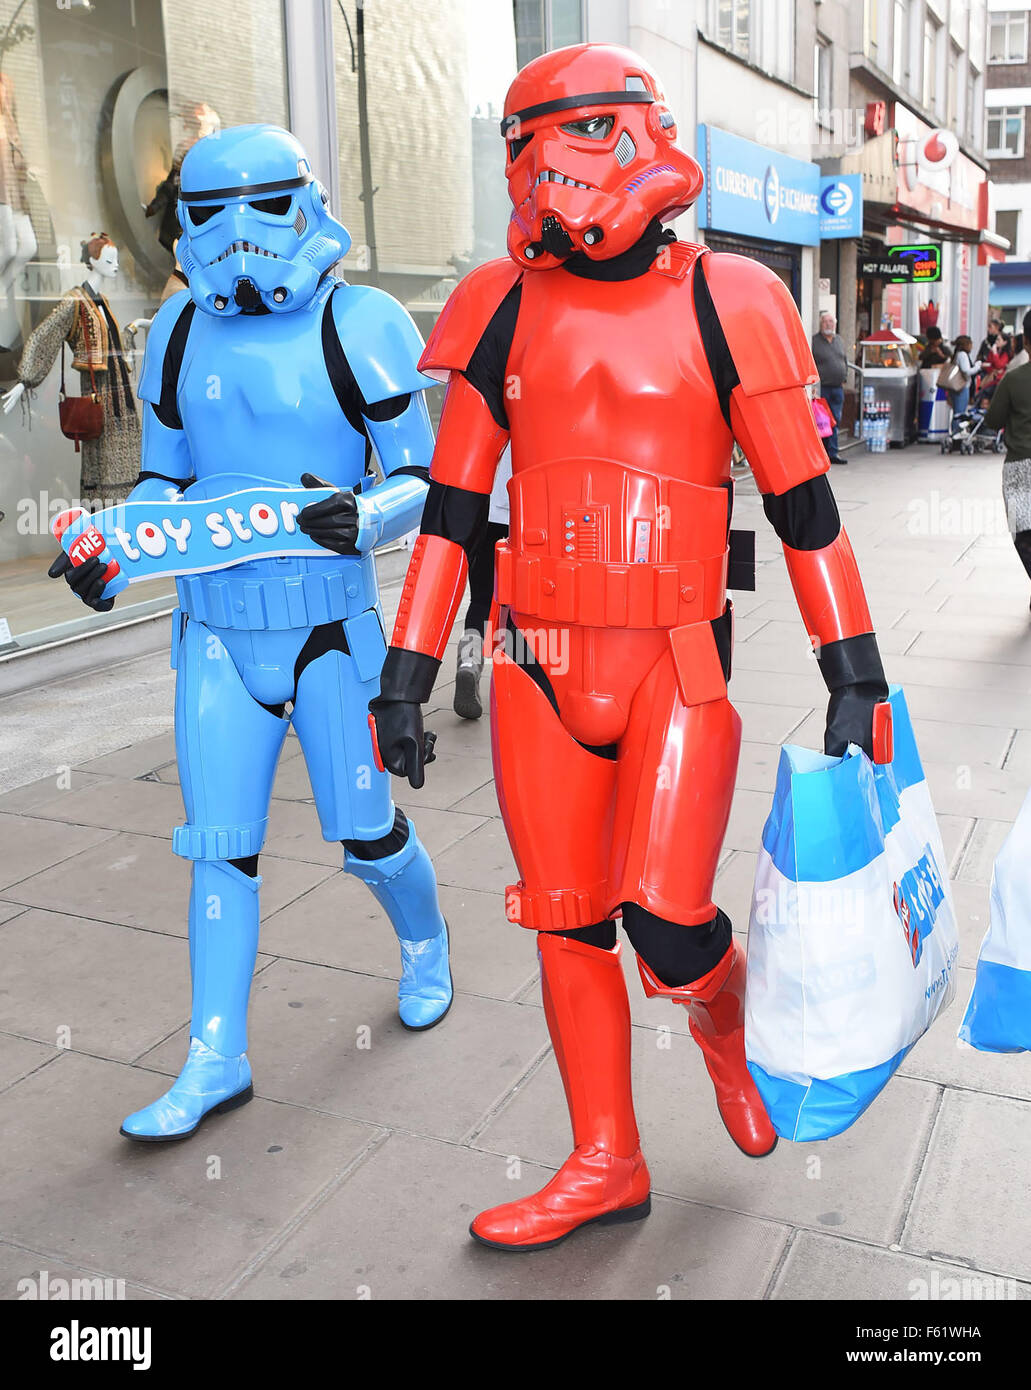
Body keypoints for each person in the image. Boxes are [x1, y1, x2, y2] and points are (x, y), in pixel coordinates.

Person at [369, 42, 892, 1252]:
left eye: (588, 131)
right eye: (532, 141)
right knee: (565, 920)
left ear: (640, 132)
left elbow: (803, 507)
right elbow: (453, 509)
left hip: (671, 659)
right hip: (535, 662)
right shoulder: (495, 306)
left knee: (664, 923)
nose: (560, 167)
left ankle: (722, 1020)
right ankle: (603, 1155)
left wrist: (851, 664)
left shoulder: (733, 300)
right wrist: (404, 670)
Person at [49, 126, 452, 1142]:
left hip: (330, 631)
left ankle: (425, 943)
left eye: (264, 204)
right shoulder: (181, 332)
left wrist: (363, 517)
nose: (237, 235)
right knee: (218, 851)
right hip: (217, 636)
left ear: (305, 201)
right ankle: (214, 1055)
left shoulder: (363, 322)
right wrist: (121, 546)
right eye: (209, 212)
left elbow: (428, 478)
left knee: (365, 836)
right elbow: (164, 481)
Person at [454, 445, 511, 719]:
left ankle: (469, 664)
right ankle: (513, 679)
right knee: (519, 603)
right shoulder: (533, 407)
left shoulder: (489, 408)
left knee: (480, 599)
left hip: (485, 511)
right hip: (527, 511)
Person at [985, 314, 1031, 605]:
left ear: (1025, 340)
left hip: (1020, 467)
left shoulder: (1014, 379)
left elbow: (993, 420)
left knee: (1024, 535)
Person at [811, 311, 847, 464]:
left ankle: (833, 452)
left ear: (835, 324)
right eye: (825, 322)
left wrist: (844, 377)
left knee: (835, 420)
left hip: (837, 388)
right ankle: (822, 453)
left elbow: (844, 359)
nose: (828, 324)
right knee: (821, 422)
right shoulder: (815, 341)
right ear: (821, 324)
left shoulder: (839, 340)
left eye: (831, 322)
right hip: (822, 388)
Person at [945, 335, 981, 417]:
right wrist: (977, 366)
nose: (972, 346)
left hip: (956, 387)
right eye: (971, 344)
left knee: (957, 411)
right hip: (962, 387)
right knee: (960, 413)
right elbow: (966, 371)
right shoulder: (963, 355)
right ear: (966, 344)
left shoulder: (957, 354)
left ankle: (955, 428)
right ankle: (956, 429)